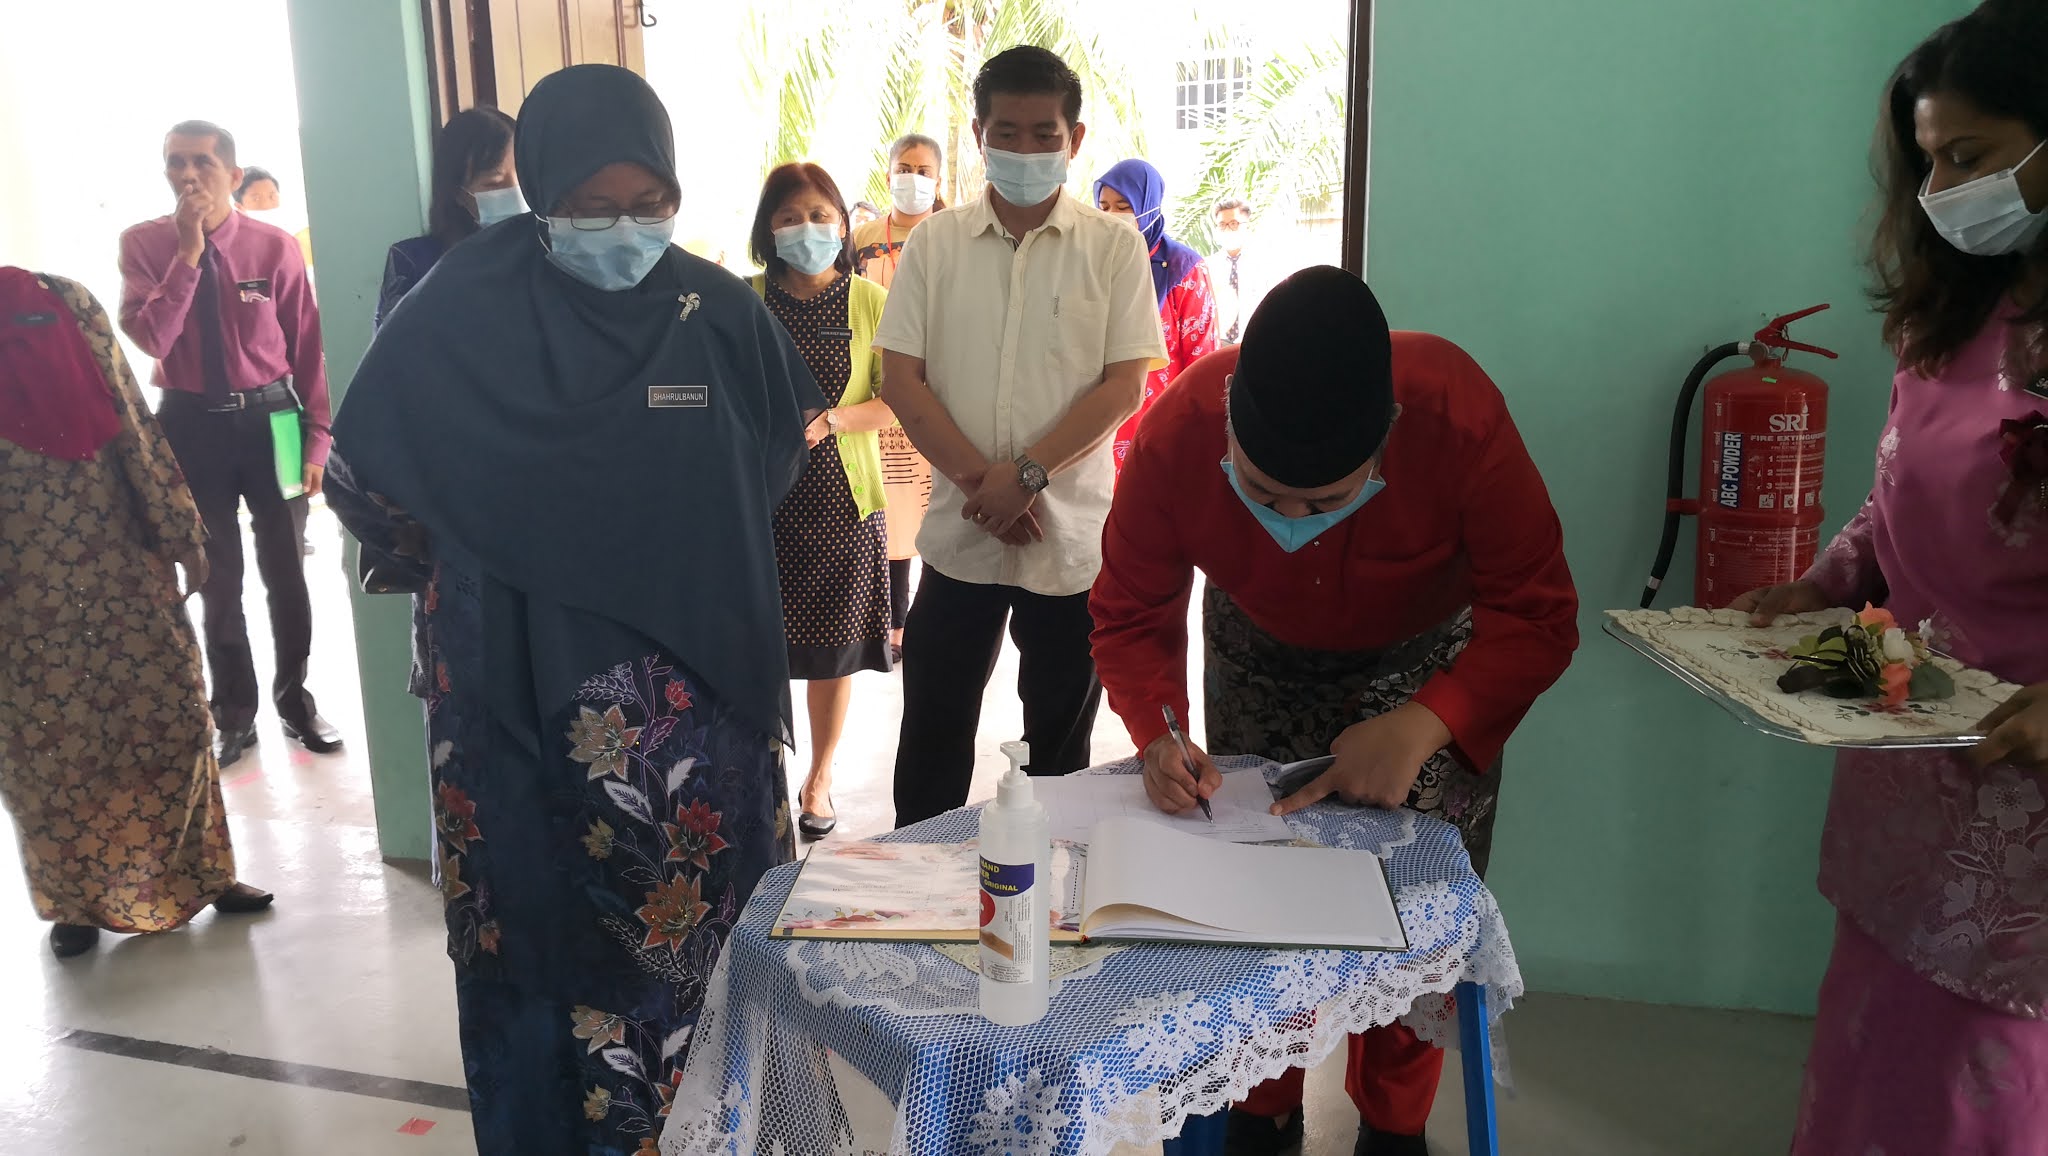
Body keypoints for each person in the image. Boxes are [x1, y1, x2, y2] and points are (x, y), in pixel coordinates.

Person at [327, 64, 822, 1155]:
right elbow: (365, 475)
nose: (623, 228)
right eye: (591, 207)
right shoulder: (457, 308)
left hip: (691, 717)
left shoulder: (720, 313)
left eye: (648, 205)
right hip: (510, 705)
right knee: (533, 954)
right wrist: (507, 560)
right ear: (540, 190)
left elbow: (777, 455)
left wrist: (638, 552)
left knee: (700, 953)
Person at [1090, 267, 1578, 1155]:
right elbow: (1129, 612)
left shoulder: (1454, 413)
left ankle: (1394, 1125)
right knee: (1255, 893)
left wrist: (1431, 720)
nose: (1293, 520)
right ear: (1230, 421)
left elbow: (1538, 611)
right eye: (1264, 494)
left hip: (1429, 662)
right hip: (1258, 652)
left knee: (1405, 917)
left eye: (1326, 502)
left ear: (1387, 441)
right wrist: (1159, 733)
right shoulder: (1175, 435)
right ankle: (1260, 1109)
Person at [1732, 6, 2048, 1150]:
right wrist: (1819, 584)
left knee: (1986, 1073)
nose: (1942, 190)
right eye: (1926, 164)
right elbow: (1893, 501)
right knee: (1867, 1036)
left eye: (1967, 157)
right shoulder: (1950, 314)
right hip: (1898, 748)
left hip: (2022, 797)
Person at [878, 45, 1167, 828]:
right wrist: (986, 485)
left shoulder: (1114, 248)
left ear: (1075, 140)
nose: (1028, 149)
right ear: (980, 134)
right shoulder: (934, 246)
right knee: (932, 741)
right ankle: (916, 902)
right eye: (1009, 131)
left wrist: (1027, 475)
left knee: (1061, 754)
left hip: (1068, 543)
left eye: (1046, 133)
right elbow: (900, 379)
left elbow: (1122, 384)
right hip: (960, 538)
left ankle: (1048, 904)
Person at [0, 269, 274, 959]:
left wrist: (179, 529)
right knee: (49, 751)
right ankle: (75, 902)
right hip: (17, 597)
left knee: (173, 718)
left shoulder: (59, 301)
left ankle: (203, 876)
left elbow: (131, 416)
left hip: (120, 562)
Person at [118, 119, 342, 767]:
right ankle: (233, 712)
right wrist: (187, 254)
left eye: (202, 163)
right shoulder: (144, 245)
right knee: (216, 577)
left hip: (273, 419)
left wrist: (317, 440)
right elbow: (153, 340)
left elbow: (308, 350)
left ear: (233, 174)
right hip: (189, 424)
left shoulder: (274, 249)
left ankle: (296, 699)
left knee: (287, 573)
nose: (187, 175)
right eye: (174, 163)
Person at [747, 161, 896, 839]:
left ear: (841, 225)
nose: (806, 229)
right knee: (759, 647)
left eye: (819, 216)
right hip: (758, 508)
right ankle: (760, 777)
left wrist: (831, 421)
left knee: (833, 652)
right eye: (789, 217)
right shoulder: (744, 301)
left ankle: (820, 778)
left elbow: (900, 400)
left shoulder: (869, 301)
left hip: (844, 503)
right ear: (767, 228)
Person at [854, 132, 947, 659]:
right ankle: (892, 624)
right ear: (888, 173)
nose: (912, 177)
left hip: (938, 392)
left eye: (923, 169)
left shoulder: (951, 235)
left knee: (933, 506)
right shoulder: (864, 237)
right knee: (889, 508)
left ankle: (929, 620)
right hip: (879, 392)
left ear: (938, 180)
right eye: (904, 167)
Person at [1094, 158, 1217, 472]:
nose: (1112, 217)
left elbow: (1201, 362)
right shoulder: (1090, 265)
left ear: (1148, 206)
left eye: (1124, 206)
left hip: (1161, 428)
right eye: (1104, 207)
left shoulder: (1182, 269)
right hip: (1095, 428)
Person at [376, 106, 521, 328]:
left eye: (523, 177)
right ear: (458, 193)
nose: (516, 192)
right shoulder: (416, 265)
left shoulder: (552, 255)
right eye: (494, 184)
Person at [1207, 197, 1268, 346]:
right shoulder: (1207, 266)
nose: (1228, 229)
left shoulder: (1264, 264)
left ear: (1247, 225)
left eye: (1234, 224)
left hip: (1256, 342)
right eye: (1222, 225)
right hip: (1217, 345)